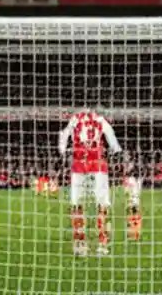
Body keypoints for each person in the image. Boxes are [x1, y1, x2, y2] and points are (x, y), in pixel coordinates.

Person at [58, 108, 123, 256]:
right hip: (98, 164)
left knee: (77, 204)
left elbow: (64, 134)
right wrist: (116, 149)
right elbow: (111, 136)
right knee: (102, 204)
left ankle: (80, 245)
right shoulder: (100, 119)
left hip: (79, 164)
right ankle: (102, 245)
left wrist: (62, 150)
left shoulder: (75, 118)